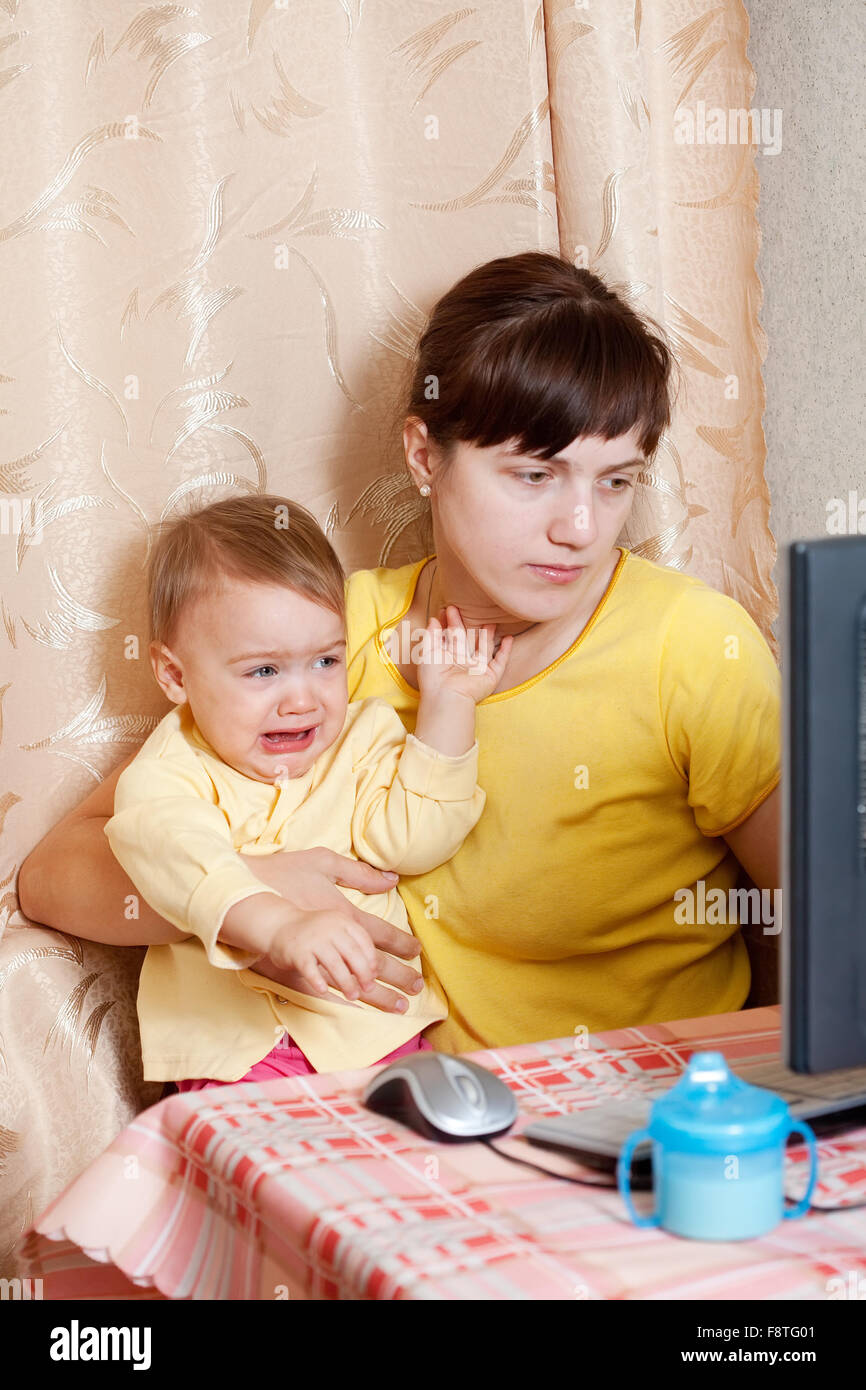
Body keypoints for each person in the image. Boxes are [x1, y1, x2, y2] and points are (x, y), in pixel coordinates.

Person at [18, 251, 781, 1057]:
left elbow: (826, 925)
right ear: (424, 456)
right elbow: (55, 875)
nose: (582, 529)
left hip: (643, 1125)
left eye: (616, 483)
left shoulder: (694, 647)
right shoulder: (328, 639)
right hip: (406, 1121)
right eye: (535, 475)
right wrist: (249, 895)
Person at [101, 493, 511, 1086]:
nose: (302, 700)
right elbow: (179, 860)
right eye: (263, 671)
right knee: (265, 1171)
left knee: (434, 1152)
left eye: (325, 660)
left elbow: (414, 843)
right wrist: (277, 927)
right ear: (174, 674)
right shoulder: (166, 775)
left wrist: (448, 707)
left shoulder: (362, 736)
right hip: (236, 1053)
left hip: (374, 1031)